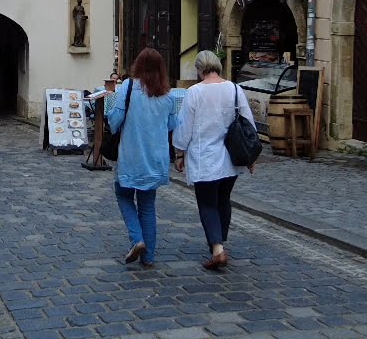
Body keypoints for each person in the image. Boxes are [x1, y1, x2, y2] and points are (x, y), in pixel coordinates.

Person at [173, 50, 257, 270]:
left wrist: (179, 153)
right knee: (223, 200)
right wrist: (250, 156)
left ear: (200, 69)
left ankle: (218, 249)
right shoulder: (235, 89)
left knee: (208, 203)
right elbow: (248, 123)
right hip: (230, 157)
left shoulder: (194, 92)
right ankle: (219, 242)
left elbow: (184, 128)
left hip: (204, 157)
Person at [107, 48, 180, 268]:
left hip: (132, 155)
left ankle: (137, 239)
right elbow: (172, 126)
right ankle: (148, 257)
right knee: (147, 205)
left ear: (138, 65)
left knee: (123, 195)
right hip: (155, 158)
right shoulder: (167, 95)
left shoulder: (128, 87)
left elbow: (115, 121)